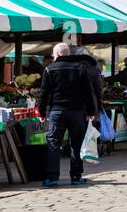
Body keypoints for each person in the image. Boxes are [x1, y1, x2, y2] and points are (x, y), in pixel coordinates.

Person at [37, 42, 99, 188]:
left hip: (57, 111)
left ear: (56, 54)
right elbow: (88, 93)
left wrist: (41, 111)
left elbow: (43, 93)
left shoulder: (49, 69)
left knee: (53, 143)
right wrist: (91, 111)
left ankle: (52, 178)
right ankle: (76, 176)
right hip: (77, 111)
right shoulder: (80, 69)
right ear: (69, 54)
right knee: (76, 143)